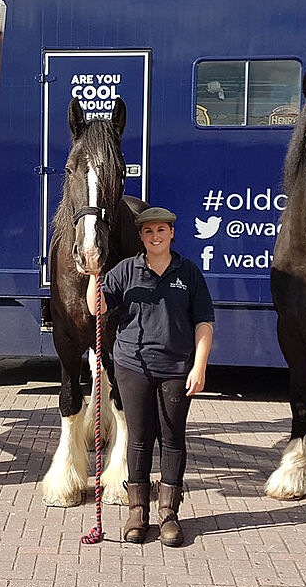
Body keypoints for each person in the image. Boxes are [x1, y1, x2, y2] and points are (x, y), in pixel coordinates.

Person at [86, 207, 214, 546]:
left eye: (161, 230)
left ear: (172, 233)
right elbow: (96, 308)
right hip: (132, 366)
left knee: (172, 440)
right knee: (139, 440)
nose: (155, 236)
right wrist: (94, 275)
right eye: (148, 232)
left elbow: (204, 323)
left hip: (176, 368)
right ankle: (138, 510)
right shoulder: (126, 270)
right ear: (141, 237)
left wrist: (199, 366)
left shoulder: (188, 272)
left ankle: (169, 514)